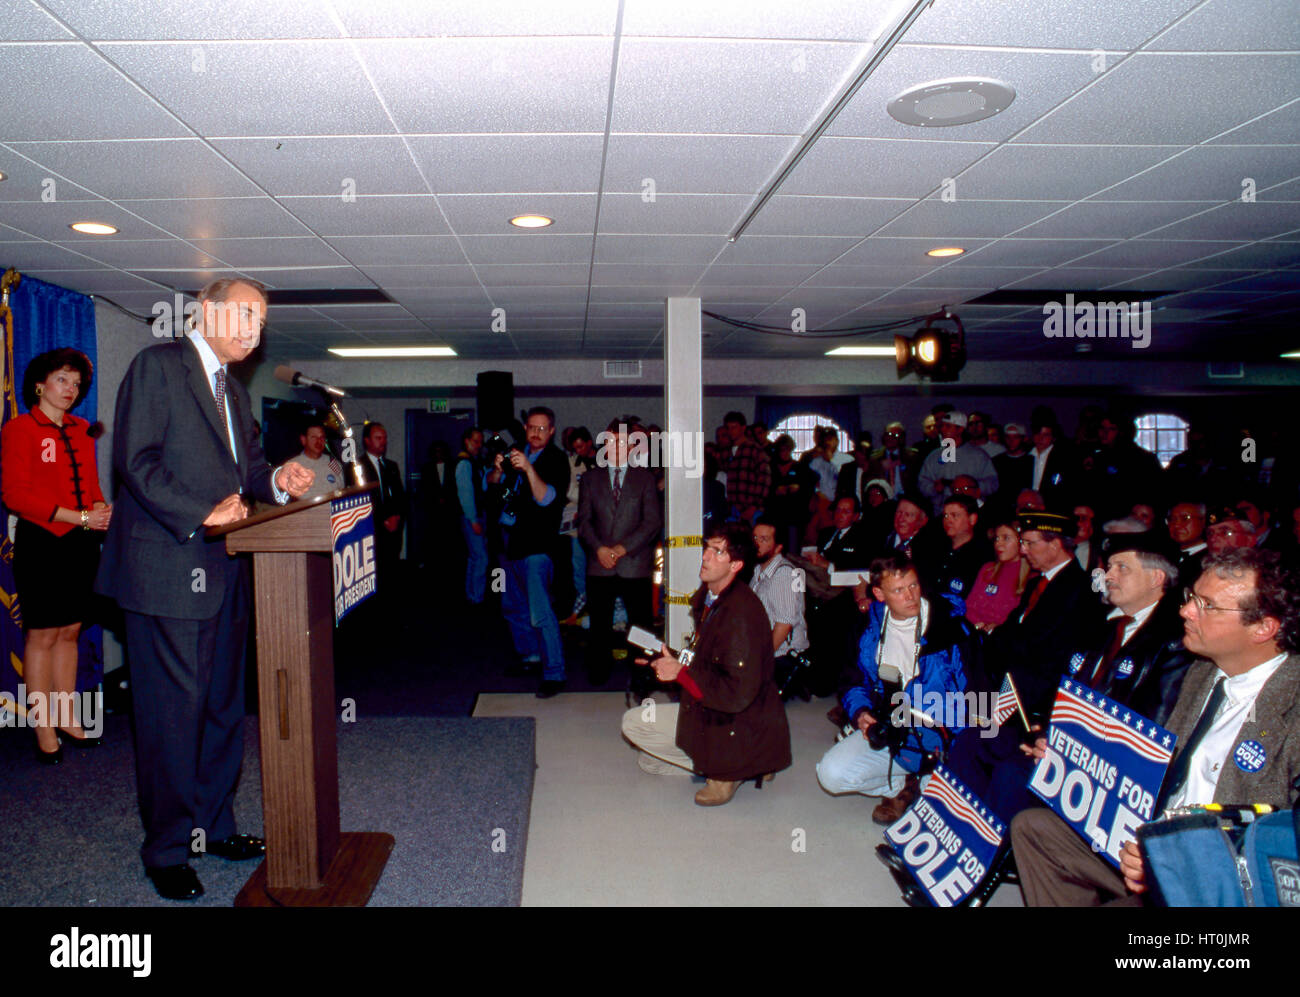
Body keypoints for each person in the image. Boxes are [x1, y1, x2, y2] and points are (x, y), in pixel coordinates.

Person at [94, 277, 314, 900]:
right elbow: (136, 463)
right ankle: (166, 850)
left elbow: (245, 473)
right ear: (207, 311)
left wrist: (278, 481)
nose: (254, 329)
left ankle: (215, 828)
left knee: (221, 710)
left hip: (225, 574)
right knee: (171, 720)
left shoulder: (234, 391)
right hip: (166, 572)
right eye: (245, 314)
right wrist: (202, 512)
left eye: (262, 320)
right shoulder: (158, 366)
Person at [1012, 548, 1300, 906]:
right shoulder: (1200, 673)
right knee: (1034, 828)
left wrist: (1172, 863)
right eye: (1191, 597)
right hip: (1152, 842)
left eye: (1207, 605)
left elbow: (1284, 859)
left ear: (1263, 628)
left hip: (1219, 880)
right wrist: (1071, 753)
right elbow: (1152, 765)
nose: (1185, 611)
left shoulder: (1293, 712)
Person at [621, 522, 791, 806]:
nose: (705, 556)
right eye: (707, 548)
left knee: (633, 724)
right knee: (648, 763)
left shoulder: (741, 615)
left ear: (736, 565)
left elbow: (735, 693)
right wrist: (668, 659)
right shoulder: (713, 598)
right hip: (717, 709)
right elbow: (707, 661)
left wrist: (681, 673)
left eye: (717, 551)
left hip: (737, 718)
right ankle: (755, 762)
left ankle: (733, 771)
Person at [1, 348, 111, 763]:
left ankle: (68, 716)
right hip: (43, 542)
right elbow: (15, 495)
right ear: (40, 384)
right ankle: (42, 725)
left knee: (71, 630)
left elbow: (92, 484)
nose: (70, 389)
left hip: (82, 542)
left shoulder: (82, 429)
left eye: (77, 383)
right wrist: (80, 516)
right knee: (42, 635)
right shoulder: (19, 430)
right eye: (63, 379)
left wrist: (101, 510)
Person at [815, 552, 972, 824]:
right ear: (878, 593)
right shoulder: (868, 629)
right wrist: (861, 713)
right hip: (894, 730)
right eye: (898, 590)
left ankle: (925, 784)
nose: (910, 596)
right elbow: (853, 681)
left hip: (944, 738)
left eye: (913, 585)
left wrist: (960, 747)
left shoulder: (952, 629)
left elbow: (976, 698)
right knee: (830, 774)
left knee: (938, 819)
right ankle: (901, 786)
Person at [490, 406, 570, 697]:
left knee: (540, 613)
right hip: (508, 544)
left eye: (541, 428)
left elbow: (546, 499)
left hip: (537, 547)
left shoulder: (557, 459)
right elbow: (493, 486)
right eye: (531, 427)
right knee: (513, 608)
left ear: (551, 431)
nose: (535, 433)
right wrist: (498, 471)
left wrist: (528, 468)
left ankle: (555, 672)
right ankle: (531, 657)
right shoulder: (515, 453)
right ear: (525, 428)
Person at [577, 420, 660, 688]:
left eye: (622, 442)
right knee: (599, 623)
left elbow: (652, 522)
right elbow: (584, 522)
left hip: (634, 563)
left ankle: (643, 673)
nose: (615, 447)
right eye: (611, 441)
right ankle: (599, 671)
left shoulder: (645, 478)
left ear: (633, 446)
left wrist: (622, 549)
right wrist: (600, 549)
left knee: (641, 625)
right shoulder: (590, 478)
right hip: (599, 562)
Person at [749, 517, 810, 699]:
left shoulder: (785, 574)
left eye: (764, 539)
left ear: (778, 547)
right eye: (755, 538)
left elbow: (784, 626)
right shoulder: (758, 570)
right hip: (762, 647)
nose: (757, 544)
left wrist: (760, 660)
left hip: (782, 655)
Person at [964, 518, 1029, 632]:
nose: (999, 543)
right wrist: (978, 625)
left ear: (1021, 542)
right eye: (997, 538)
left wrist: (997, 628)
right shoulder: (988, 569)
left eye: (1006, 538)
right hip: (974, 632)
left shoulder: (1030, 578)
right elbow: (969, 606)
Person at [361, 421, 406, 583]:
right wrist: (383, 519)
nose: (383, 442)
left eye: (384, 438)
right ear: (367, 441)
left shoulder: (391, 466)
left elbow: (400, 497)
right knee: (374, 576)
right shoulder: (357, 467)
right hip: (372, 529)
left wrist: (397, 517)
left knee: (391, 575)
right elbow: (363, 500)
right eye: (378, 438)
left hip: (393, 530)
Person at [453, 426, 488, 605]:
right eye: (475, 442)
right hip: (471, 517)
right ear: (467, 442)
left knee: (475, 557)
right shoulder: (464, 463)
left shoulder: (474, 462)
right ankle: (476, 596)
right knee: (481, 557)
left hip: (476, 515)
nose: (478, 445)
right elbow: (465, 494)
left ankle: (472, 594)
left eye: (480, 442)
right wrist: (473, 519)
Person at [287, 423, 344, 502]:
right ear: (303, 440)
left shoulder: (333, 463)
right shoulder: (293, 466)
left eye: (322, 437)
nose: (319, 441)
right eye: (314, 437)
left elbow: (342, 491)